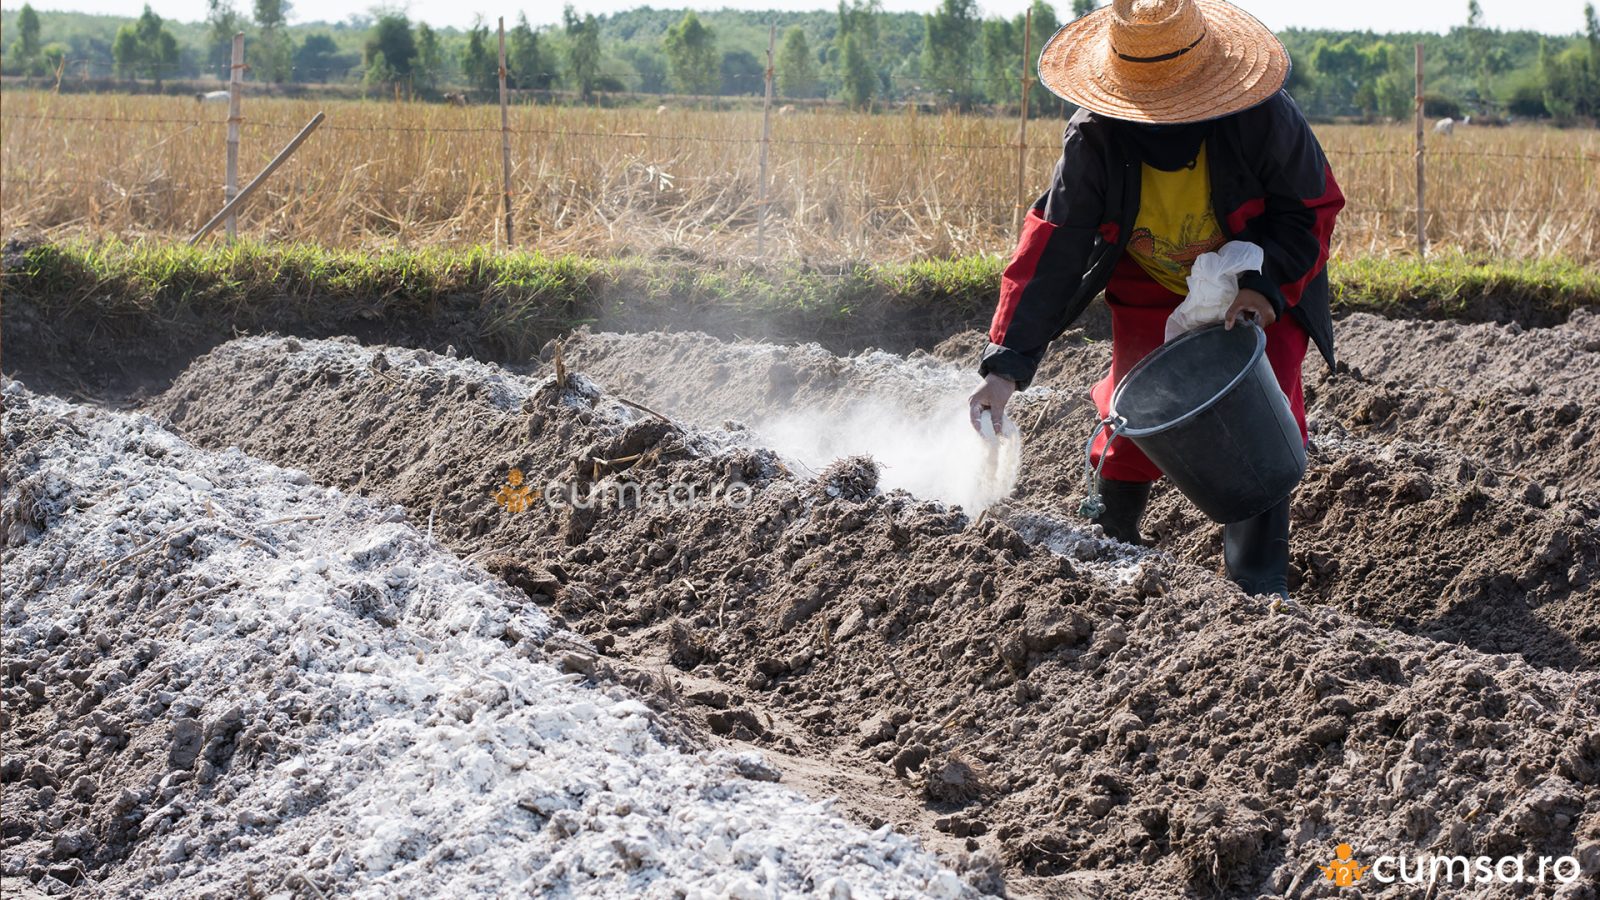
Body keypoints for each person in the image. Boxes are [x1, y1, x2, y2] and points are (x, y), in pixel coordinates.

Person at [967, 0, 1344, 600]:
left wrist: (1263, 291)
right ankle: (1108, 535)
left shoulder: (1262, 119)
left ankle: (1258, 584)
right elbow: (1052, 249)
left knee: (1258, 414)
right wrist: (1006, 365)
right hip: (1149, 280)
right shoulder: (1094, 139)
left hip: (1260, 277)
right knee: (1134, 409)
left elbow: (1308, 213)